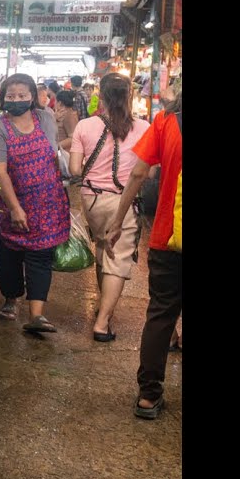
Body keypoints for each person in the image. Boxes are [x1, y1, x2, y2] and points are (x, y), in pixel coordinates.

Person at [105, 90, 181, 419]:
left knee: (161, 314)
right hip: (167, 236)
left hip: (169, 237)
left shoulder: (166, 122)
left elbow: (139, 173)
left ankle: (149, 395)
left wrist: (118, 220)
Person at [0, 73, 70, 333]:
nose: (17, 100)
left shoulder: (45, 118)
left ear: (33, 97)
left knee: (41, 256)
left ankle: (36, 315)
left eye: (22, 95)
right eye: (11, 96)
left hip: (47, 203)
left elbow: (52, 153)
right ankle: (11, 297)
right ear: (3, 99)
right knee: (10, 256)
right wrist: (14, 207)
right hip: (13, 203)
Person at [70, 73, 150, 342]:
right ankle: (103, 323)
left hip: (91, 200)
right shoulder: (143, 128)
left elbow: (73, 169)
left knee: (104, 249)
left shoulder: (84, 126)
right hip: (124, 203)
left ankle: (102, 309)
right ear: (130, 96)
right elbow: (148, 174)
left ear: (100, 96)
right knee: (117, 260)